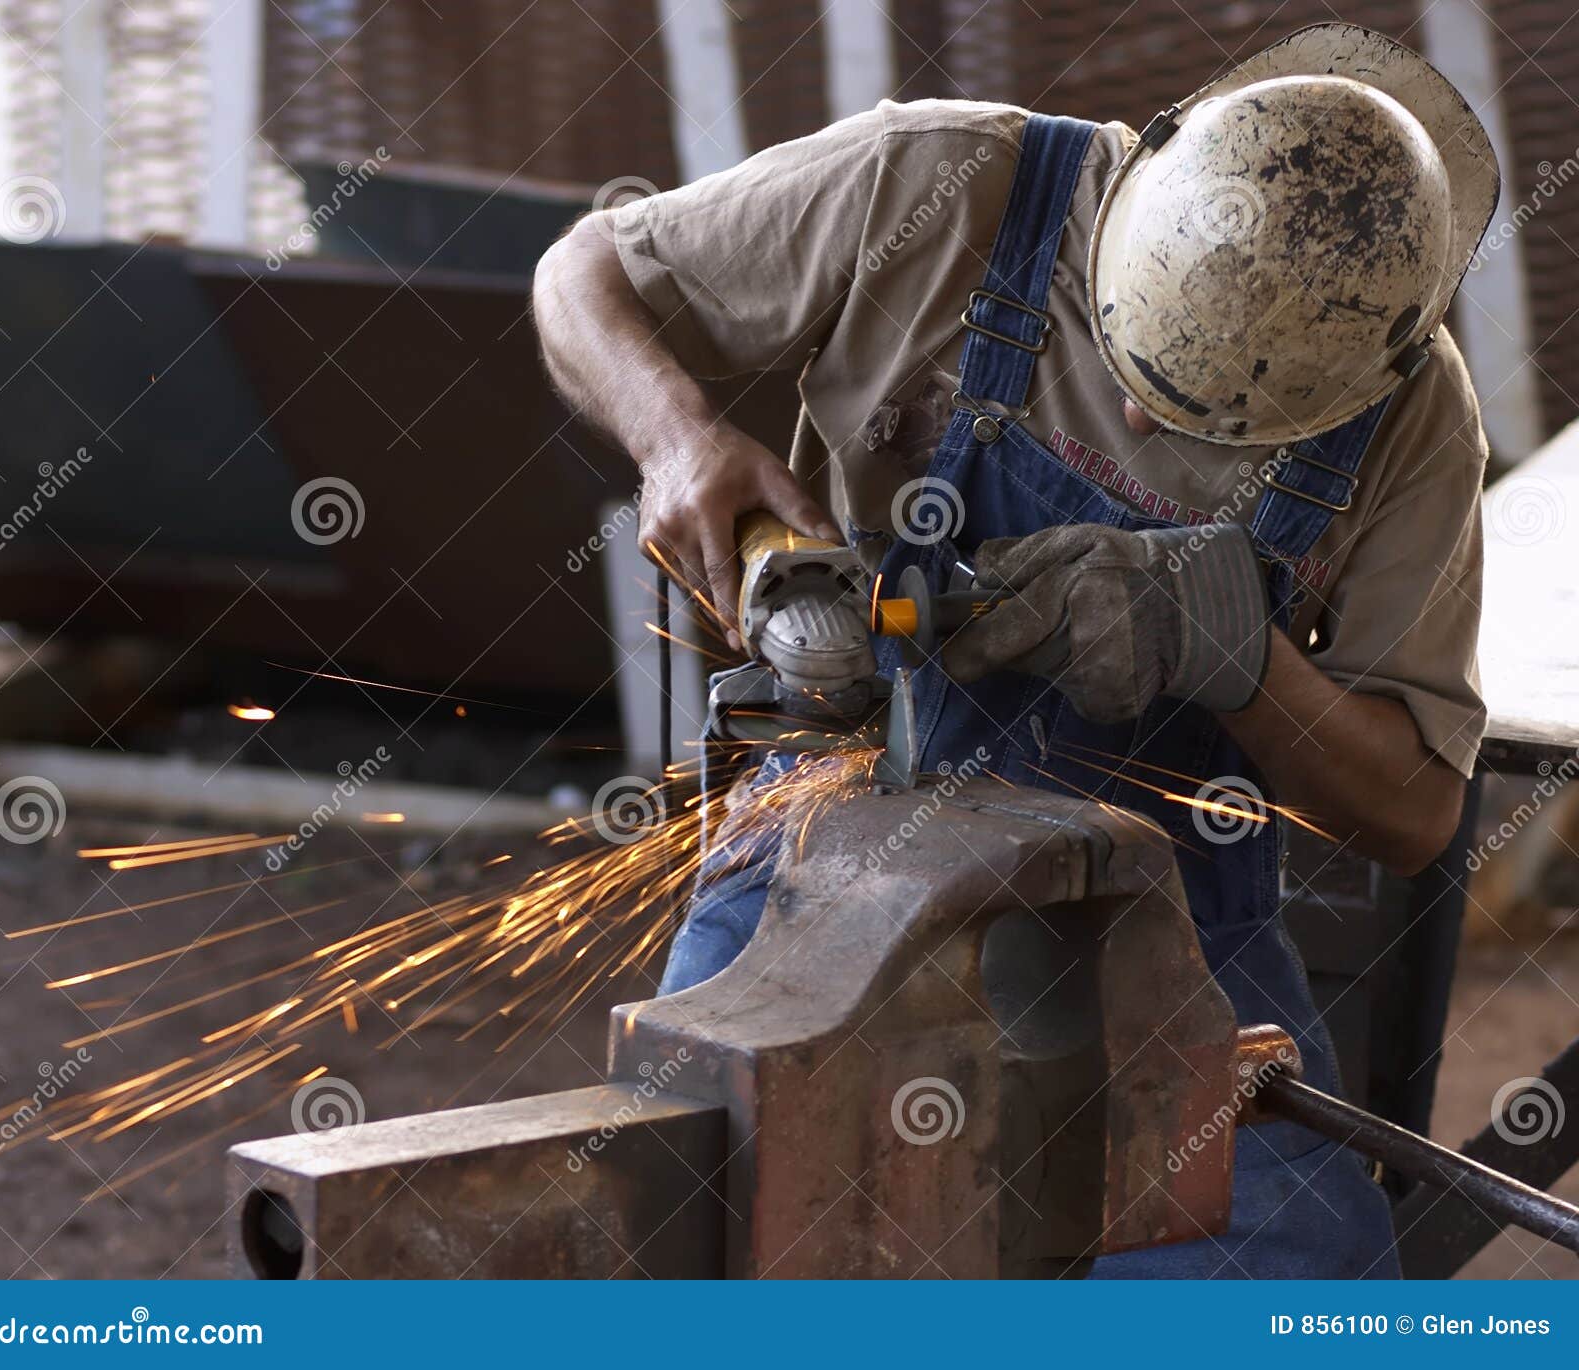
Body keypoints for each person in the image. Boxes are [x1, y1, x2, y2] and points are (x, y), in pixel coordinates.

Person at [533, 23, 1499, 1278]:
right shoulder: (941, 187)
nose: (1148, 415)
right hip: (833, 851)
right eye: (1128, 359)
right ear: (1144, 176)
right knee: (700, 1224)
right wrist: (675, 440)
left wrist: (1240, 662)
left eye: (1210, 412)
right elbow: (578, 274)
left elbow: (1418, 813)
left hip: (1154, 924)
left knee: (1293, 1282)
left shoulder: (1411, 419)